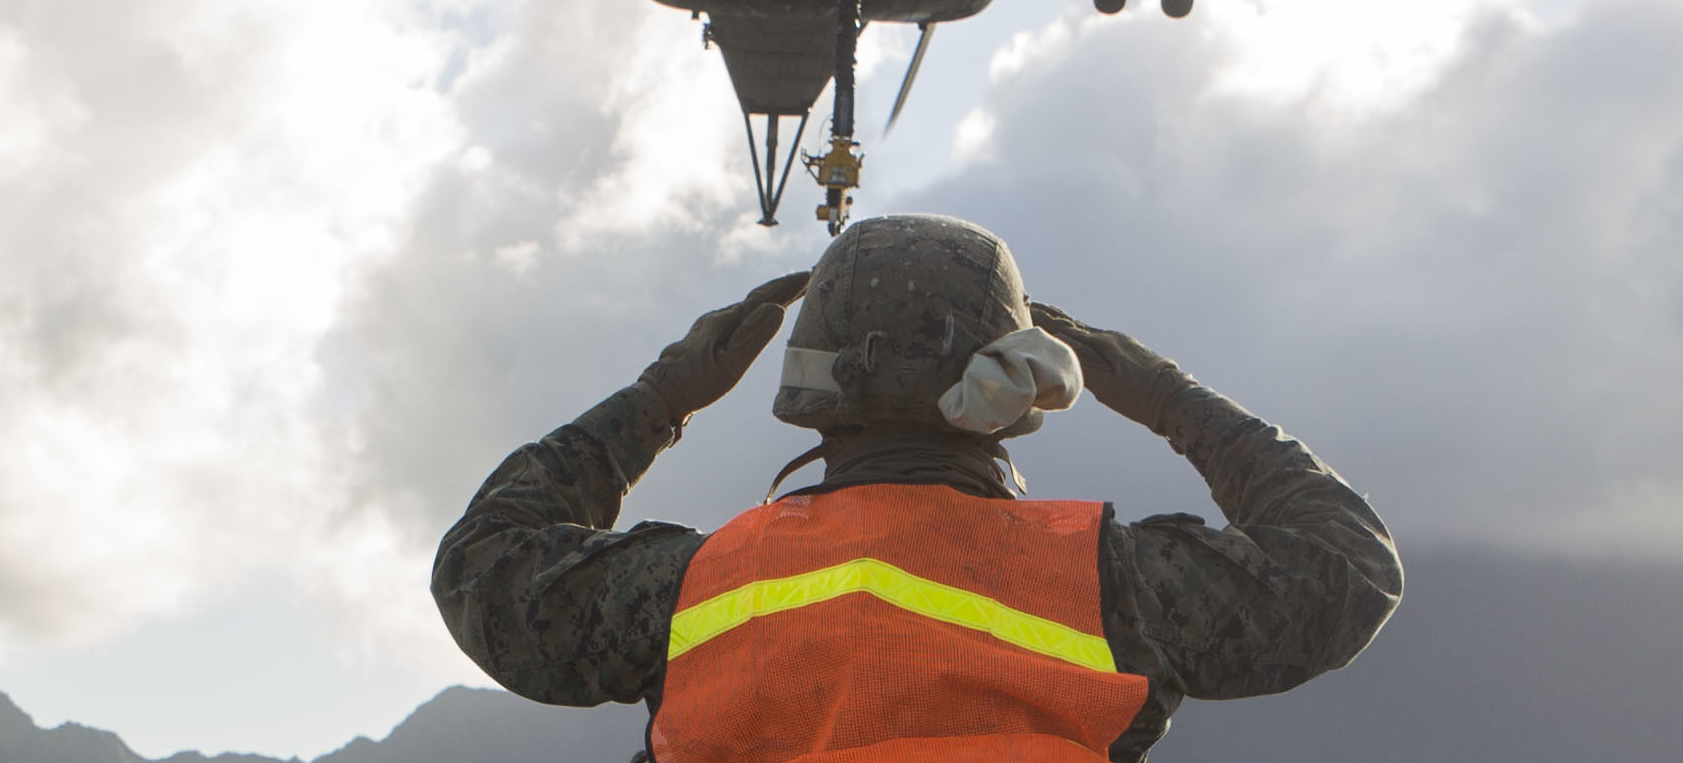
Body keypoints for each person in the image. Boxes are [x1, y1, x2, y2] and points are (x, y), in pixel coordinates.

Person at [432, 214, 1400, 763]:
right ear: (1018, 389)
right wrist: (1166, 398)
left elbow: (482, 568)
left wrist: (659, 399)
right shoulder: (1107, 588)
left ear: (811, 394)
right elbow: (1350, 566)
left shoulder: (701, 593)